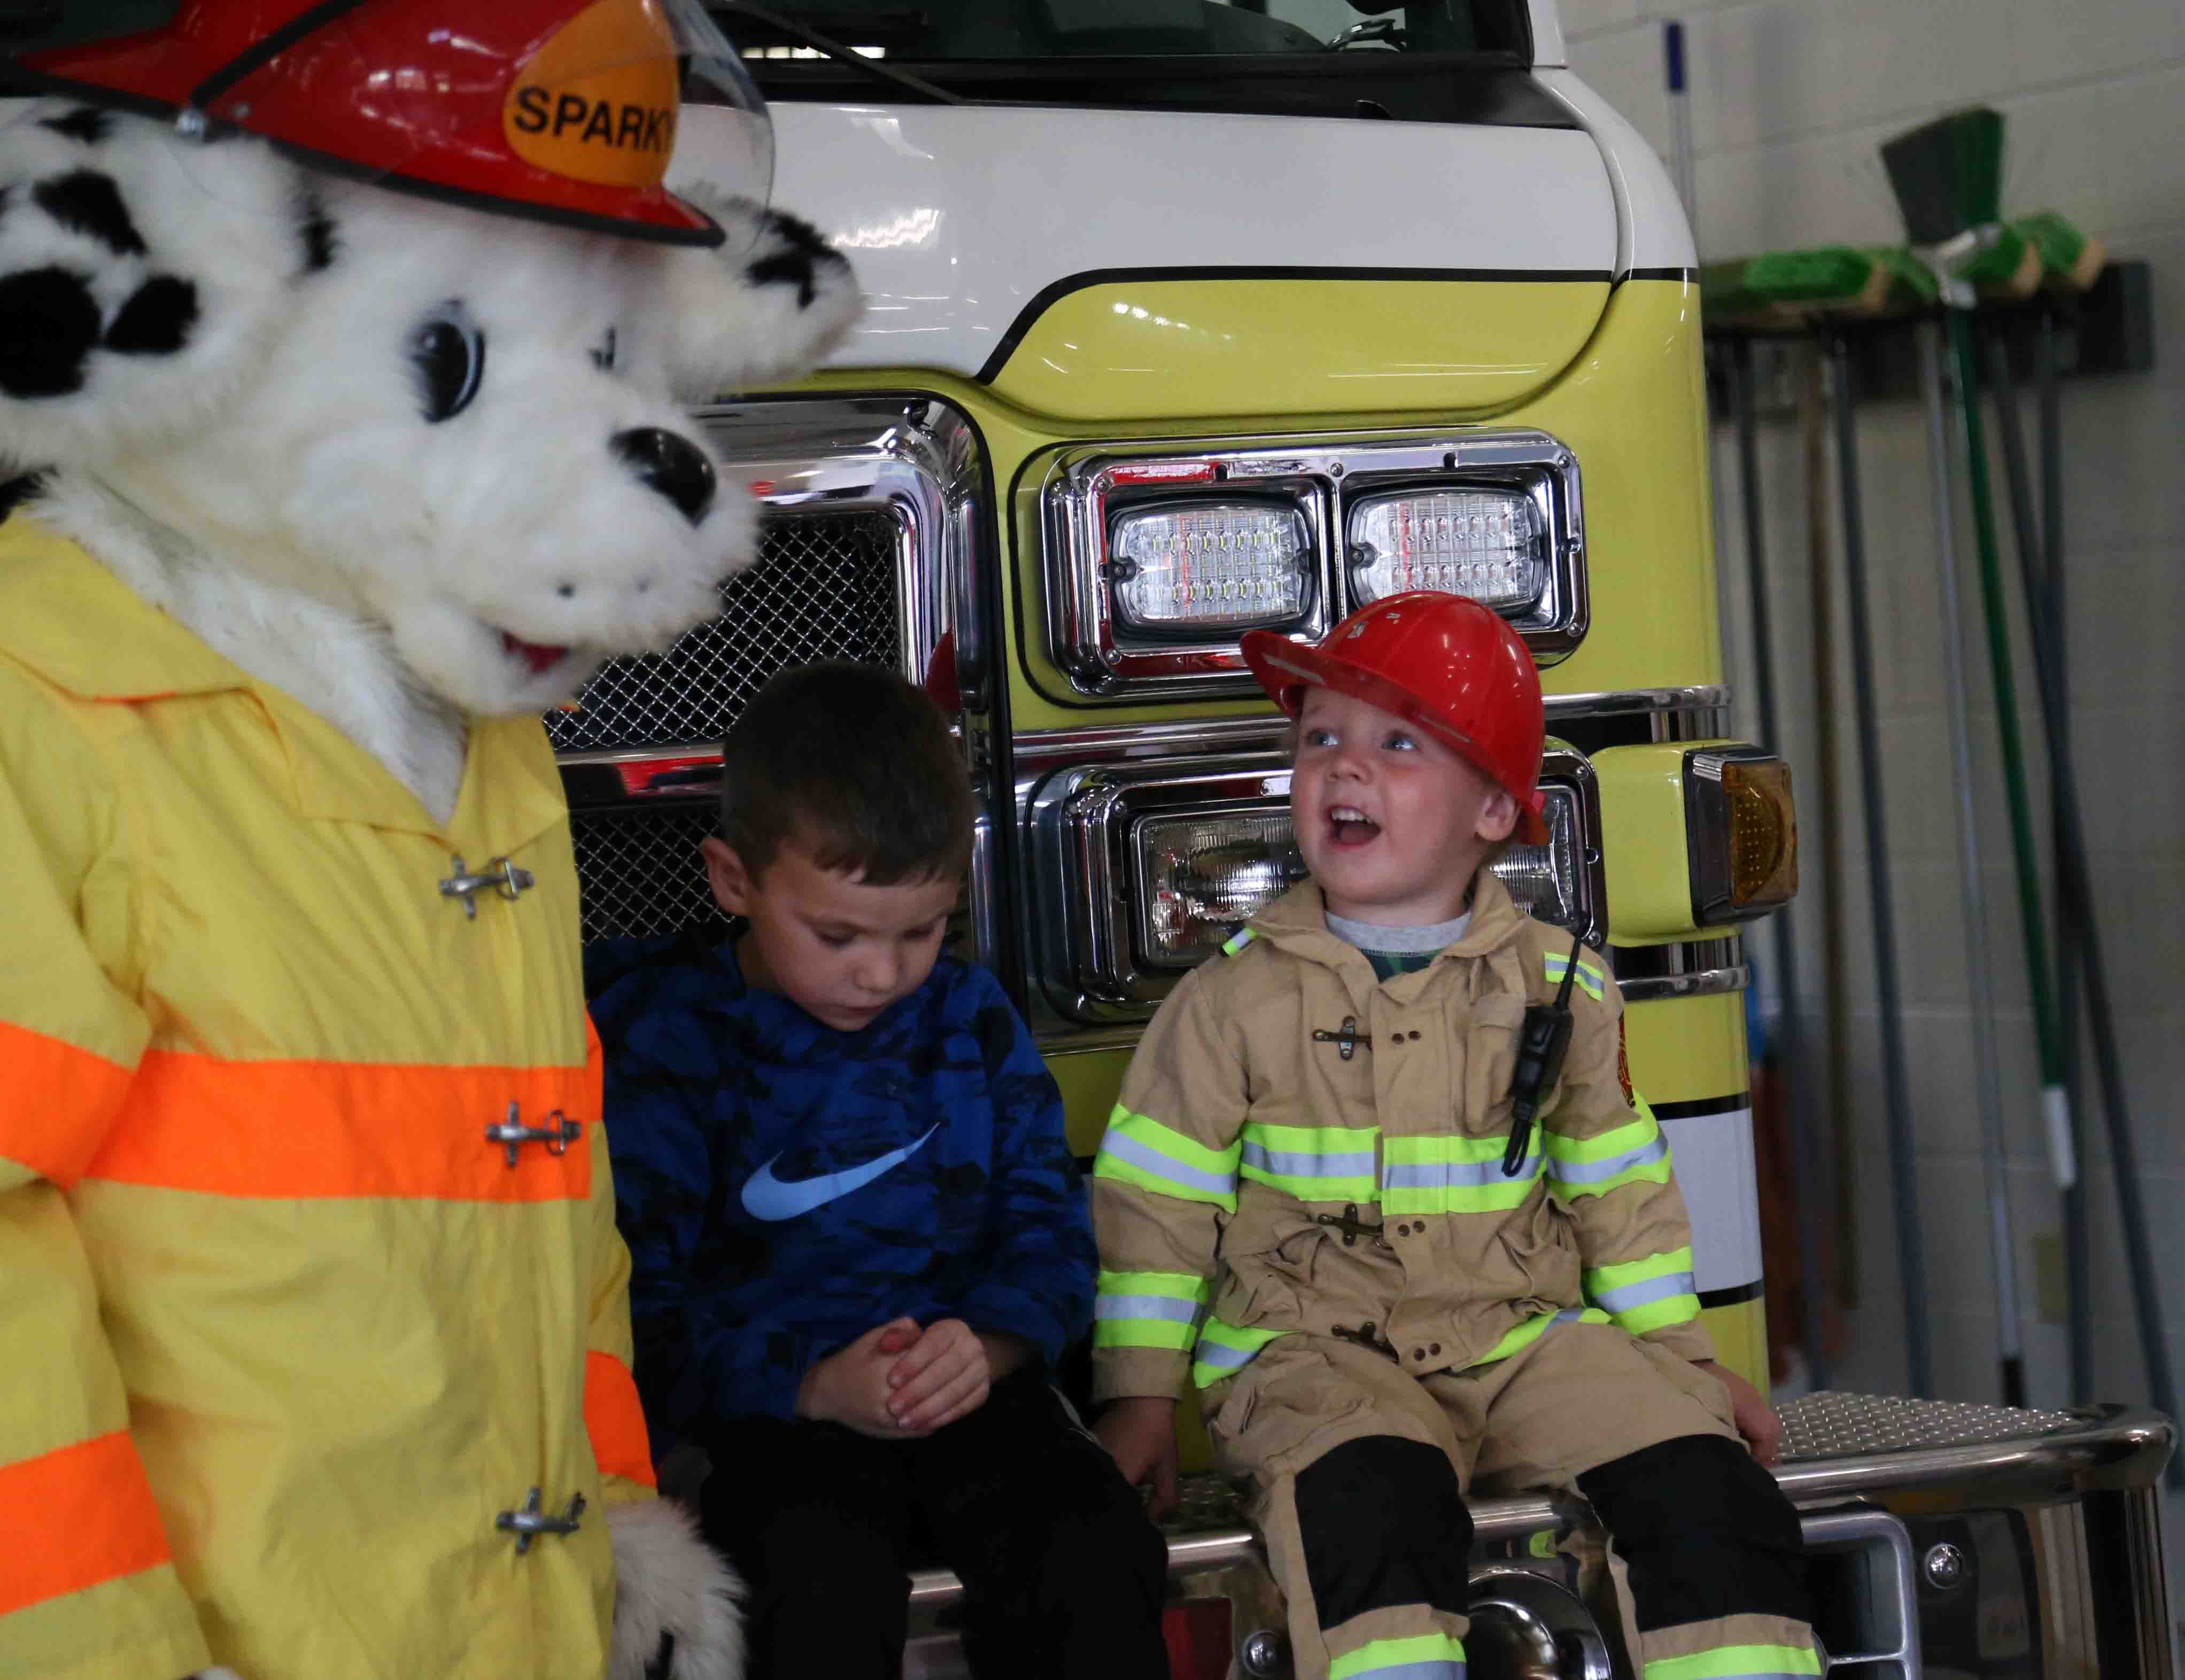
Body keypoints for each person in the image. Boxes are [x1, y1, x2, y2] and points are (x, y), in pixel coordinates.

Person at [1091, 594, 1819, 1680]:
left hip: (1522, 1342)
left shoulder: (1560, 986)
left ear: (1492, 811)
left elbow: (1618, 1188)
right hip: (1315, 1359)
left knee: (1708, 1491)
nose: (1344, 768)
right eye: (1319, 737)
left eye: (1396, 743)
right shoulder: (1228, 1001)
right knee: (1370, 1514)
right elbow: (1156, 1205)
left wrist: (1681, 1367)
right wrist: (1138, 1393)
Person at [588, 661, 1171, 1680]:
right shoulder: (670, 1045)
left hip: (972, 1392)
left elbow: (1049, 1231)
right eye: (838, 934)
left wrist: (987, 1345)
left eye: (921, 931)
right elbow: (637, 1306)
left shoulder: (971, 1019)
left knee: (1092, 1542)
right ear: (734, 881)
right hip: (769, 1424)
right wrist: (810, 1384)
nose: (882, 973)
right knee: (810, 1587)